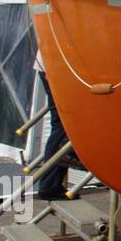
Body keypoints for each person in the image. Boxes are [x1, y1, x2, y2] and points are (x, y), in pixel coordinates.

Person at [32, 50, 77, 200]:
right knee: (64, 124)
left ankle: (50, 184)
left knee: (61, 124)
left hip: (52, 64)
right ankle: (50, 184)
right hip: (57, 65)